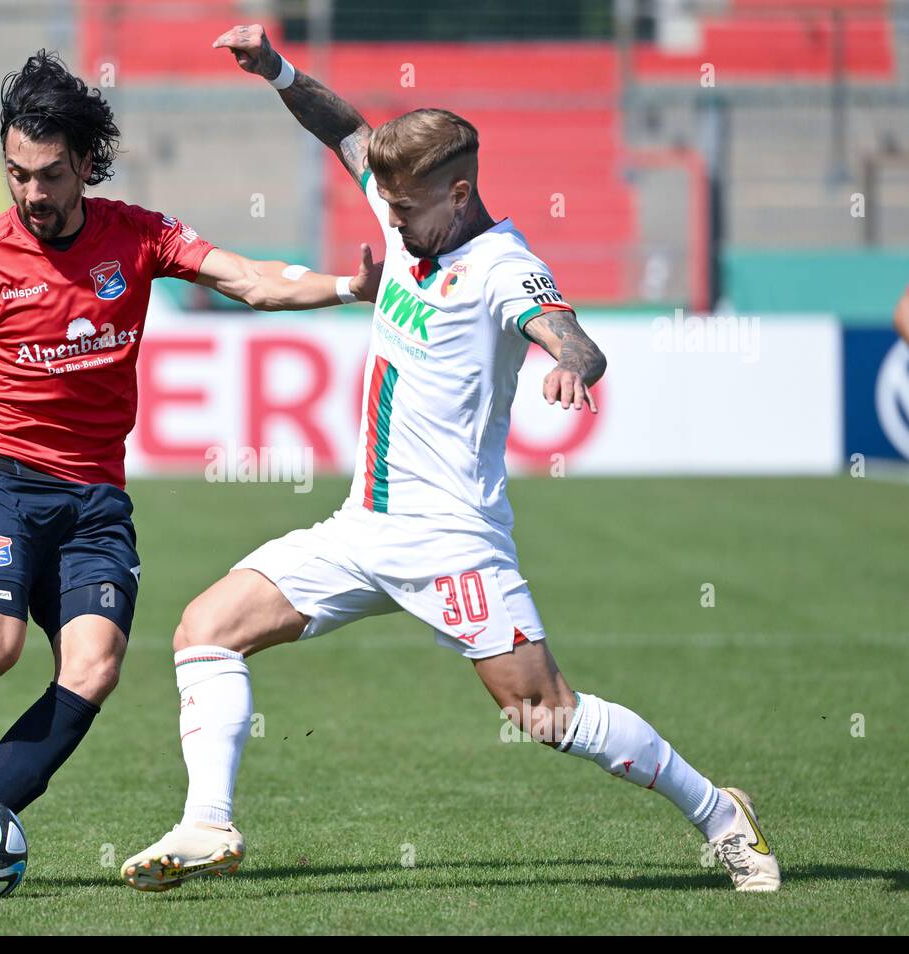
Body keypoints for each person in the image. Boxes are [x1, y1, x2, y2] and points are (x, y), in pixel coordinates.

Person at [120, 25, 780, 894]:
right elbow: (342, 128)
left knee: (544, 715)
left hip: (452, 542)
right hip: (361, 527)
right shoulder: (407, 217)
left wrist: (569, 369)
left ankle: (721, 815)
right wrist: (276, 68)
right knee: (205, 628)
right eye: (384, 204)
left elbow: (572, 338)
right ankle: (208, 823)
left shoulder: (505, 267)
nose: (388, 220)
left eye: (404, 209)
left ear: (460, 191)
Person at [0, 49, 380, 893]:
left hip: (96, 497)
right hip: (3, 479)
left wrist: (349, 289)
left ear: (86, 163)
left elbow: (249, 279)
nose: (32, 192)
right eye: (18, 173)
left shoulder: (139, 236)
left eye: (50, 174)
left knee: (93, 668)